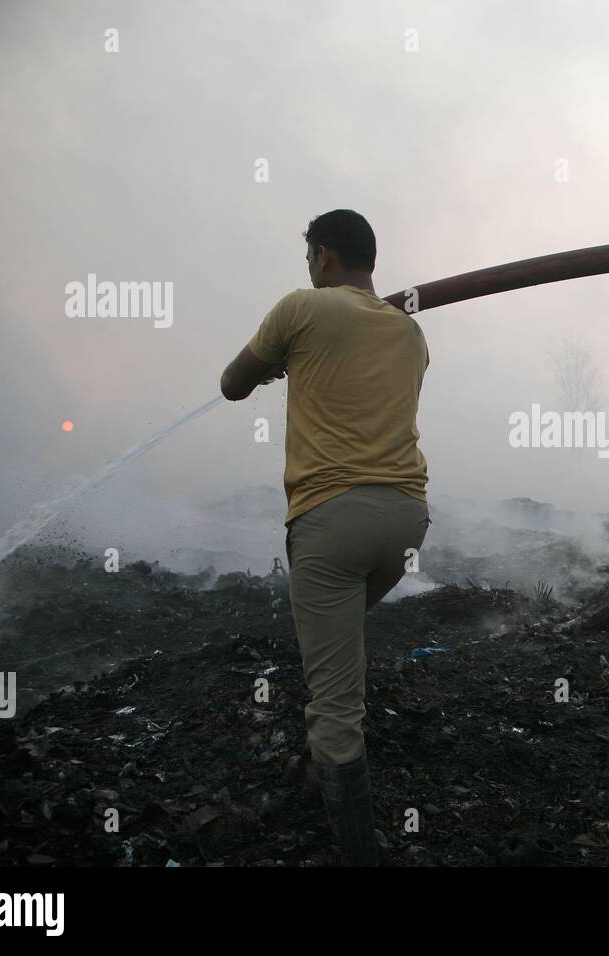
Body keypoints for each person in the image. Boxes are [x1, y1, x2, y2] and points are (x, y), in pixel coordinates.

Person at [220, 209, 430, 866]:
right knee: (338, 641)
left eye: (310, 254)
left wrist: (279, 360)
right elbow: (358, 383)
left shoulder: (301, 310)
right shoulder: (411, 332)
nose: (307, 266)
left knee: (335, 704)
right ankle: (329, 749)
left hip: (331, 519)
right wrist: (300, 361)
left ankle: (356, 853)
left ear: (326, 257)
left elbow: (231, 385)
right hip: (406, 518)